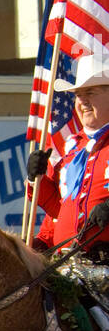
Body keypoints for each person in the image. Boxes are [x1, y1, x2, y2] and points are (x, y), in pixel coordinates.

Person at [27, 53, 109, 255]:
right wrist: (36, 179)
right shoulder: (72, 150)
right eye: (78, 95)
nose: (82, 101)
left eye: (90, 93)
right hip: (69, 264)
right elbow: (59, 209)